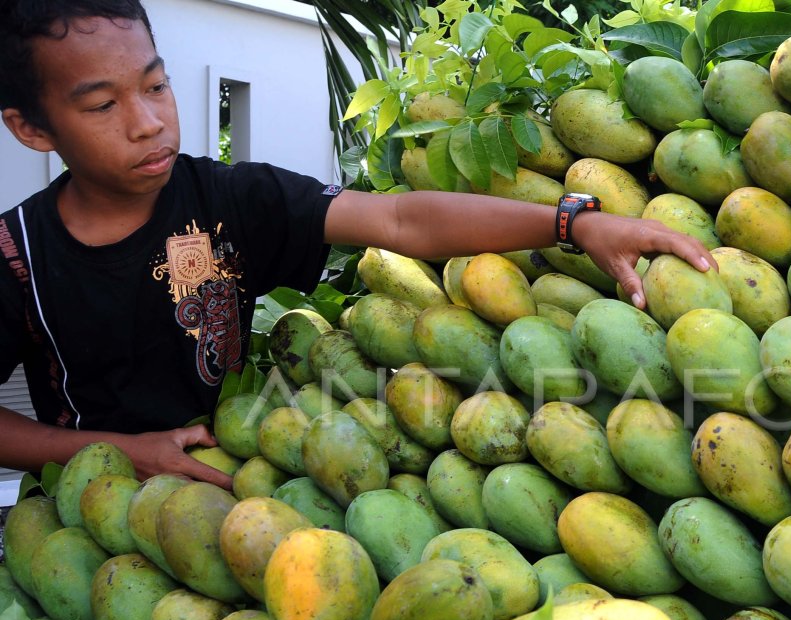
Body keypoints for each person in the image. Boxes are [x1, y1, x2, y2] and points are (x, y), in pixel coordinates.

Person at [0, 0, 715, 491]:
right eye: (102, 105)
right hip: (86, 501)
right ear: (32, 129)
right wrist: (125, 452)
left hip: (231, 476)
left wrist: (572, 223)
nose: (147, 122)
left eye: (156, 86)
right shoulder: (15, 253)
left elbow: (402, 221)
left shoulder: (229, 200)